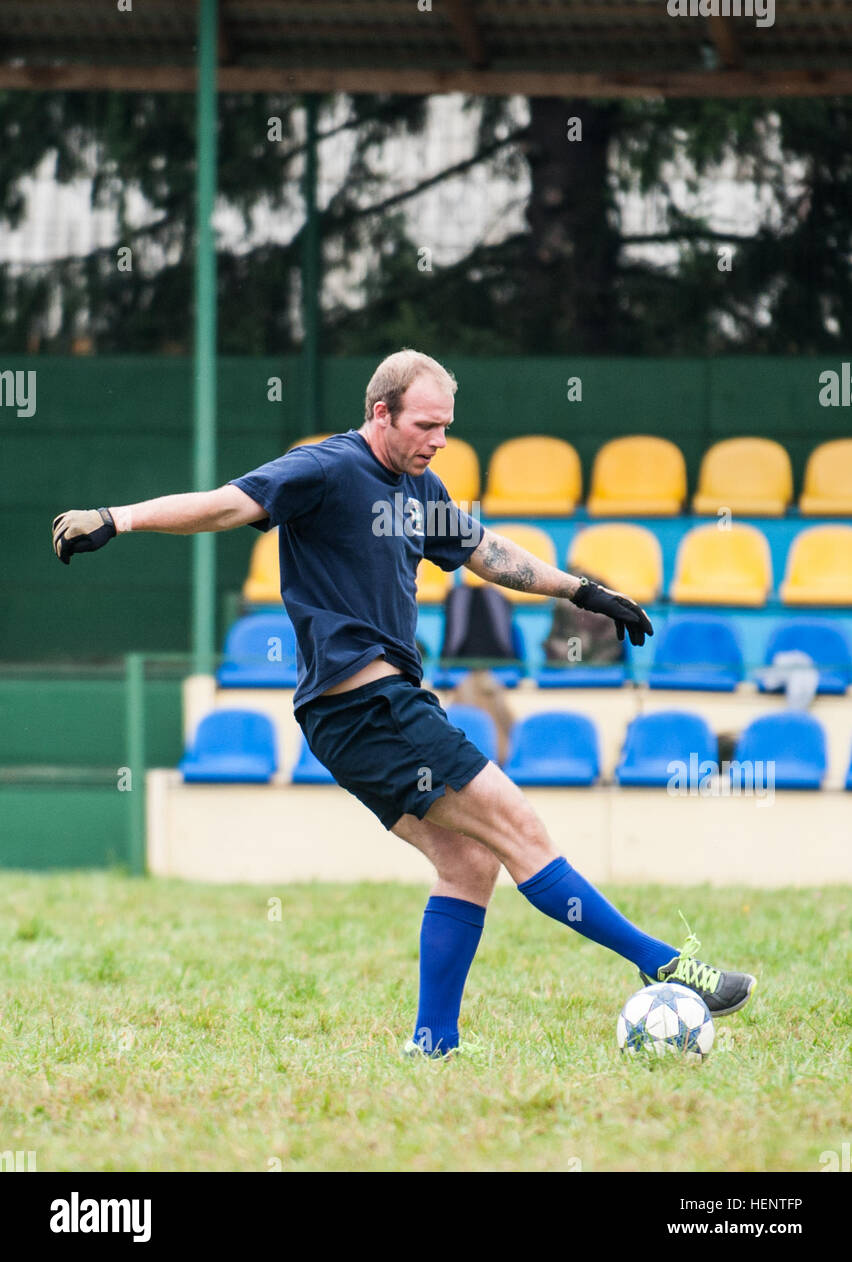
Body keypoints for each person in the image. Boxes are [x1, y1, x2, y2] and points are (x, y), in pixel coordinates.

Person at [51, 349, 756, 1057]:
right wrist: (118, 516)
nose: (439, 439)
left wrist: (581, 591)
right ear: (379, 412)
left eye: (446, 426)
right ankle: (663, 962)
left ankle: (432, 1047)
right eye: (426, 424)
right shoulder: (323, 468)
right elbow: (227, 505)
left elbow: (485, 551)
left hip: (359, 716)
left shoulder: (420, 488)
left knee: (469, 864)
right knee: (520, 829)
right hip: (370, 706)